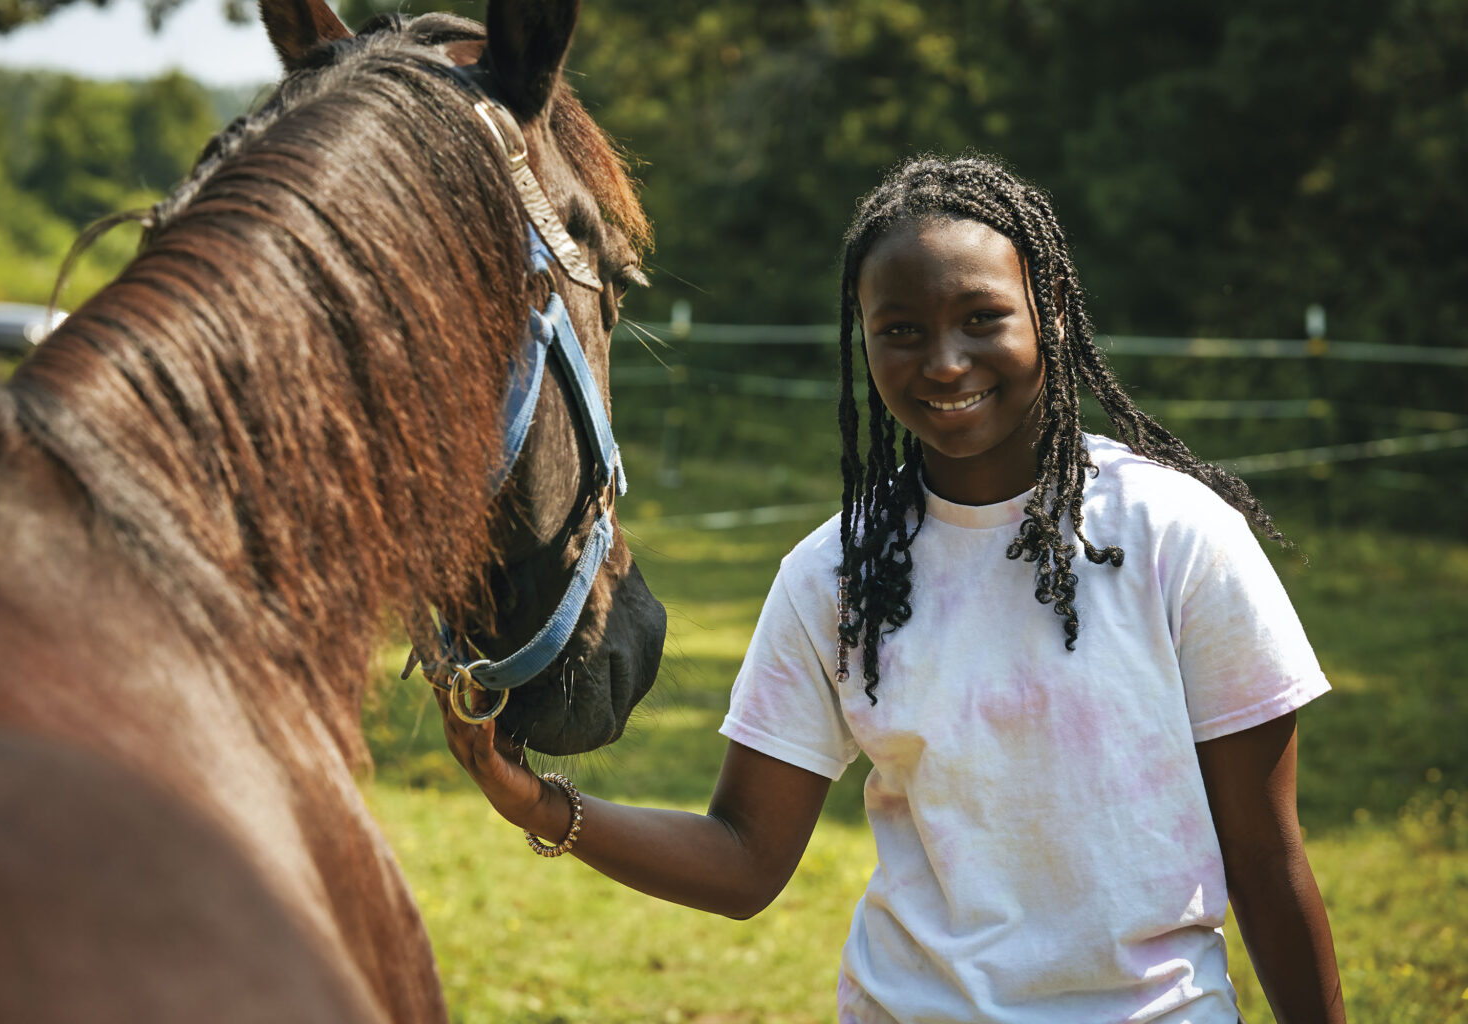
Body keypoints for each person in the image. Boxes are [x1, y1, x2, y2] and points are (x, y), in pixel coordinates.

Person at [444, 154, 1346, 1023]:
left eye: (983, 318)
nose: (944, 362)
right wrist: (534, 802)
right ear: (864, 339)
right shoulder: (834, 576)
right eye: (902, 331)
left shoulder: (1177, 539)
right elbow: (745, 859)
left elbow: (1268, 864)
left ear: (1054, 313)